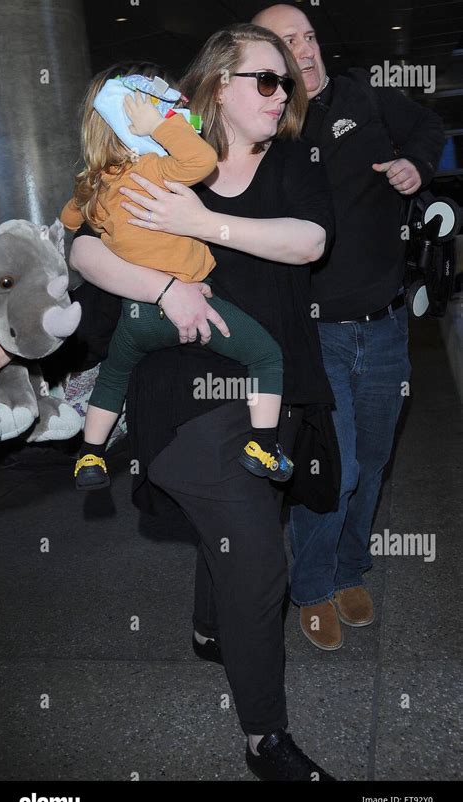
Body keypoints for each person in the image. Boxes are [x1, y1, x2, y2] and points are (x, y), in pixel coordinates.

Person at [69, 23, 339, 780]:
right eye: (265, 78)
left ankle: (210, 624)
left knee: (249, 510)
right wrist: (160, 284)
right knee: (256, 552)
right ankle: (264, 739)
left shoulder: (293, 163)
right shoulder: (154, 152)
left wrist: (200, 225)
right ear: (218, 83)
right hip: (182, 398)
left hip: (269, 388)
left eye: (285, 82)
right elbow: (84, 248)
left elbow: (310, 241)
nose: (281, 92)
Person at [251, 3, 445, 650]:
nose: (306, 49)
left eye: (309, 36)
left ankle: (348, 567)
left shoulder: (367, 95)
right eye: (288, 42)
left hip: (387, 326)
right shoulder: (269, 128)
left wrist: (416, 166)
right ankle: (310, 586)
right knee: (335, 468)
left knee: (375, 459)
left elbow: (427, 126)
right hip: (317, 333)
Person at [60, 70, 294, 491]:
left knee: (116, 373)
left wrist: (88, 202)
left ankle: (90, 453)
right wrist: (159, 127)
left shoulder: (95, 184)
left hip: (137, 316)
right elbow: (202, 161)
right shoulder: (153, 168)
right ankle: (263, 445)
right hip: (190, 302)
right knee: (266, 357)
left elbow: (68, 220)